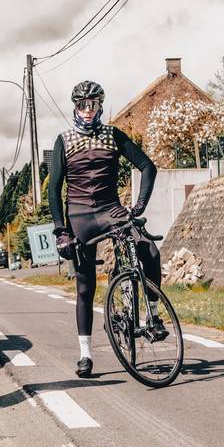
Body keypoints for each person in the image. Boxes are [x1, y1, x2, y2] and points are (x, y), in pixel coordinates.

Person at [48, 80, 163, 379]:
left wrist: (138, 207)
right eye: (81, 105)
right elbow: (54, 190)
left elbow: (148, 167)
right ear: (75, 107)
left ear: (99, 106)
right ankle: (85, 354)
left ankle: (154, 316)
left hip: (112, 210)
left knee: (150, 251)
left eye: (93, 104)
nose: (87, 110)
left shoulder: (113, 135)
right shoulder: (64, 140)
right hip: (80, 216)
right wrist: (61, 231)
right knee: (85, 287)